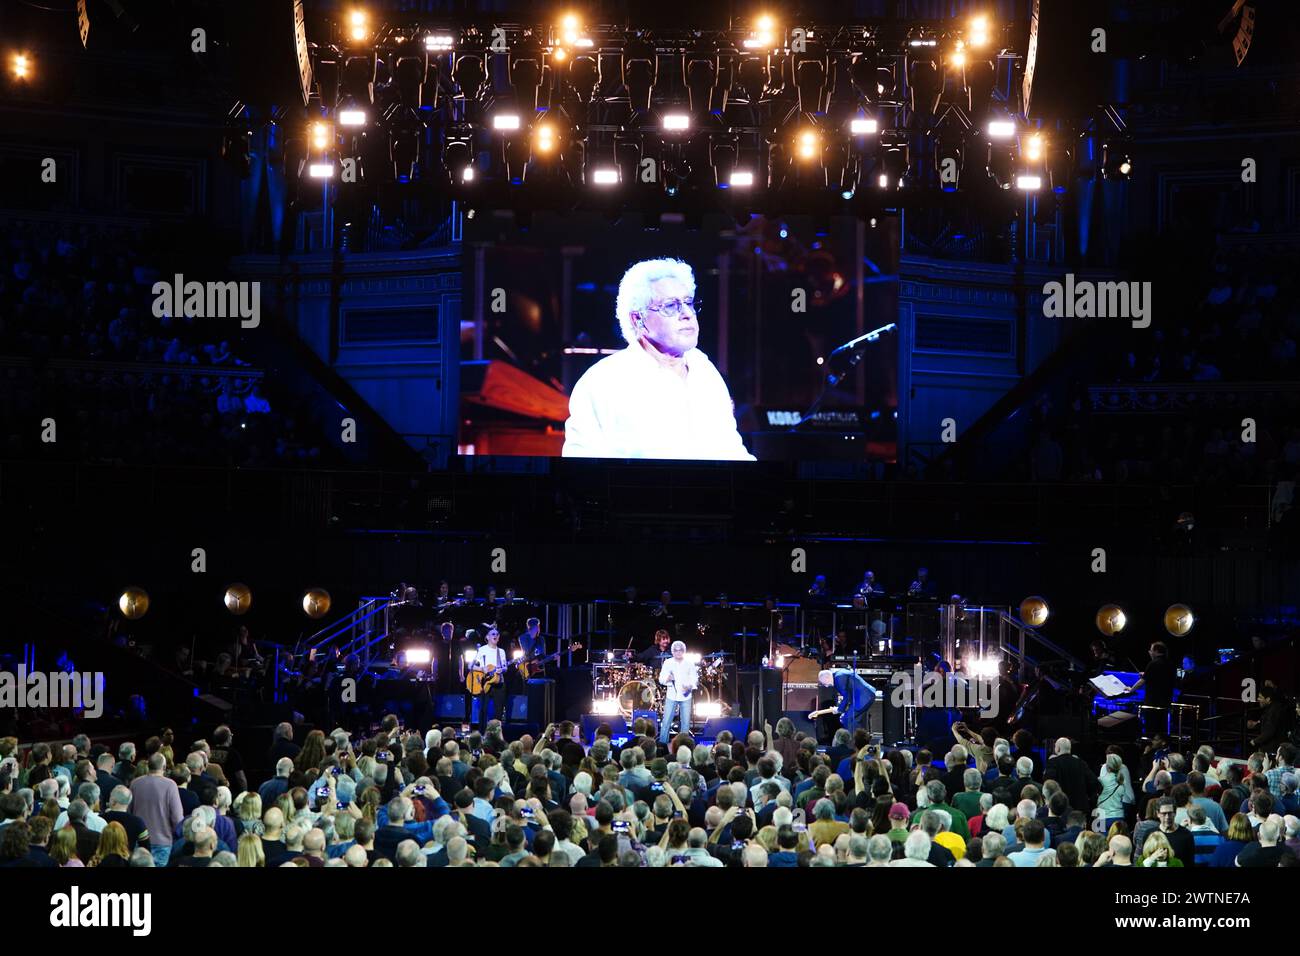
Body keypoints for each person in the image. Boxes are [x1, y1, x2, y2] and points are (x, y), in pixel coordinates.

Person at [562, 257, 756, 461]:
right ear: (638, 319)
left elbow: (731, 451)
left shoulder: (705, 371)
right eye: (671, 306)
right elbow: (580, 466)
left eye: (689, 303)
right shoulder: (603, 381)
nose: (687, 314)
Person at [1123, 642, 1177, 737]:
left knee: (1151, 731)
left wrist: (1131, 689)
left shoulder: (1153, 663)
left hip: (1153, 704)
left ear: (1156, 651)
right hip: (1166, 704)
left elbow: (1142, 681)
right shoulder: (1170, 664)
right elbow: (1161, 678)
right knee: (1162, 732)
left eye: (1151, 650)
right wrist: (1147, 673)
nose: (1149, 652)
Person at [810, 668, 878, 736]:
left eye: (824, 683)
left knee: (847, 719)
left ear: (827, 677)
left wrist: (839, 709)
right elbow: (849, 695)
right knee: (854, 720)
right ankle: (860, 742)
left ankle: (851, 743)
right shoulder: (838, 675)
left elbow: (847, 697)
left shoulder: (838, 678)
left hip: (864, 697)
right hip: (865, 696)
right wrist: (840, 709)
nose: (826, 686)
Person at [468, 626, 509, 732]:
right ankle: (482, 733)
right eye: (493, 634)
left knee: (498, 711)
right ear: (487, 637)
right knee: (483, 710)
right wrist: (482, 669)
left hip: (498, 682)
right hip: (484, 682)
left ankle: (497, 734)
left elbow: (505, 667)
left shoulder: (501, 651)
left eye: (497, 634)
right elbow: (470, 666)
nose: (495, 636)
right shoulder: (481, 650)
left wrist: (502, 670)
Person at [658, 641, 699, 745]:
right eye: (676, 650)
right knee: (666, 721)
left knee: (685, 724)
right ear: (672, 651)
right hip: (672, 696)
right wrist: (667, 678)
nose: (678, 652)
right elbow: (661, 679)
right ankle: (663, 745)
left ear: (683, 651)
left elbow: (695, 679)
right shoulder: (668, 662)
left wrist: (690, 686)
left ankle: (684, 746)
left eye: (680, 650)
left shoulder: (689, 663)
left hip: (686, 696)